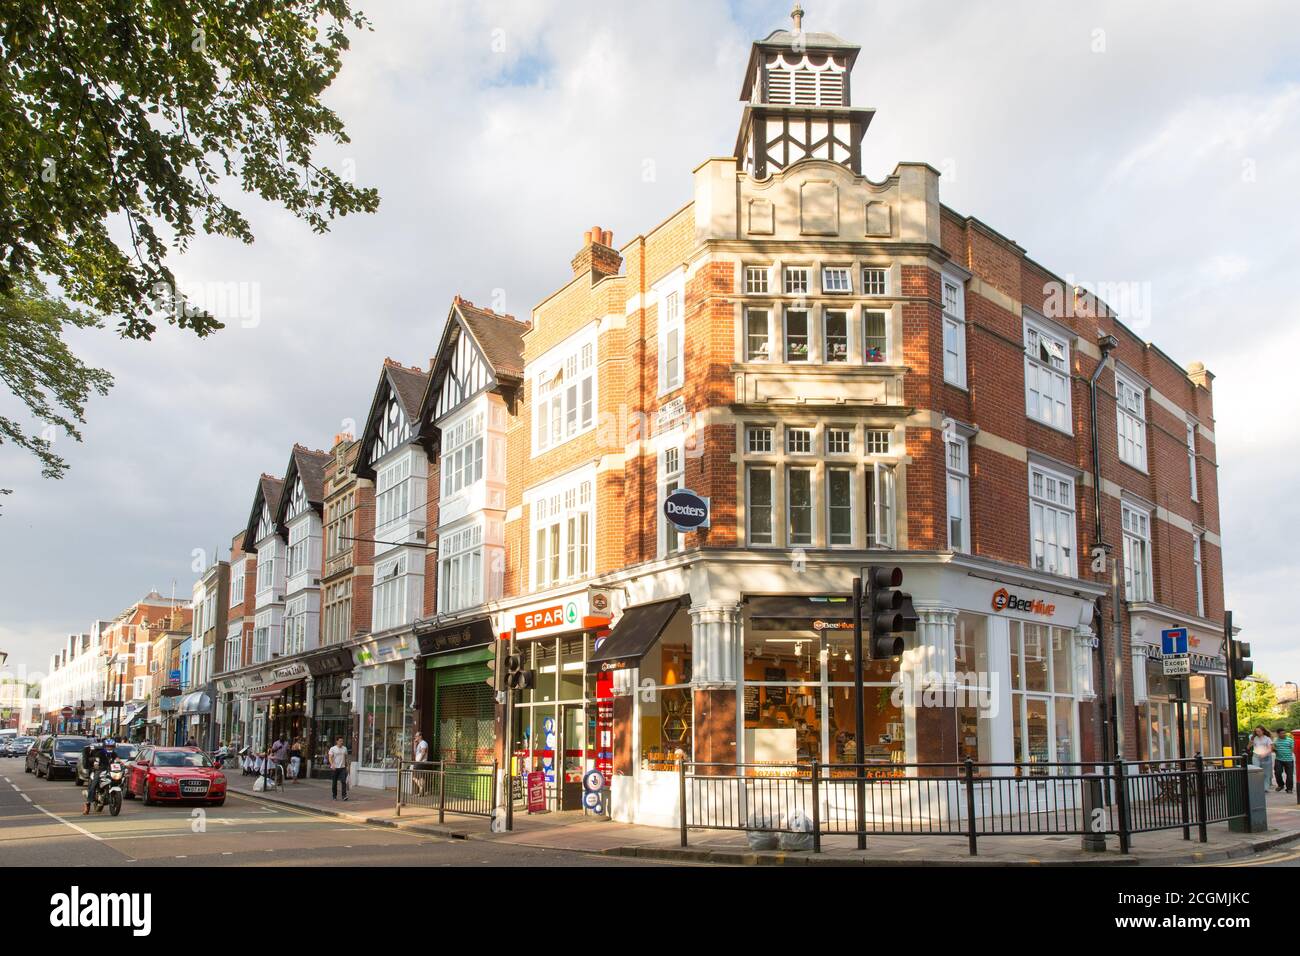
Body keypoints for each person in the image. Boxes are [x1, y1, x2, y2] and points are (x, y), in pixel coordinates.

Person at [82, 737, 116, 815]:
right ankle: (88, 804)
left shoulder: (113, 753)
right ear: (104, 747)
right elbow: (97, 760)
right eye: (108, 746)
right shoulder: (100, 753)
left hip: (109, 771)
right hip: (99, 770)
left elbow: (117, 759)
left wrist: (124, 765)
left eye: (111, 746)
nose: (109, 748)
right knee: (93, 785)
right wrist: (96, 765)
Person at [327, 736, 349, 801]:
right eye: (340, 741)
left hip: (342, 768)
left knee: (343, 781)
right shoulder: (332, 749)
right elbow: (330, 757)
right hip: (335, 768)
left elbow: (346, 758)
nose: (341, 742)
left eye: (342, 741)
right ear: (337, 741)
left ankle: (344, 796)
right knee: (334, 783)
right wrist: (332, 764)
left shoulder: (344, 748)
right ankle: (334, 795)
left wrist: (347, 766)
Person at [1273, 729, 1295, 793]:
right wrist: (1274, 748)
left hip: (1289, 760)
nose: (1283, 734)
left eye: (1284, 733)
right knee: (1277, 773)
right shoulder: (1275, 740)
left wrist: (1288, 753)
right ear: (1278, 734)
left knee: (1289, 775)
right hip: (1278, 759)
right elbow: (1273, 748)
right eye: (1282, 733)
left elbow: (1292, 749)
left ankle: (1289, 788)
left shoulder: (1290, 740)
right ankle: (1280, 785)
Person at [412, 731, 430, 796]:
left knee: (414, 777)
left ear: (420, 736)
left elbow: (423, 752)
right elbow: (415, 753)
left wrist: (419, 761)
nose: (415, 737)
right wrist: (414, 744)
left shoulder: (423, 743)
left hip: (421, 762)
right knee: (421, 778)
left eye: (416, 736)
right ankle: (421, 792)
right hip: (419, 762)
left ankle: (422, 789)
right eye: (415, 736)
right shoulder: (419, 744)